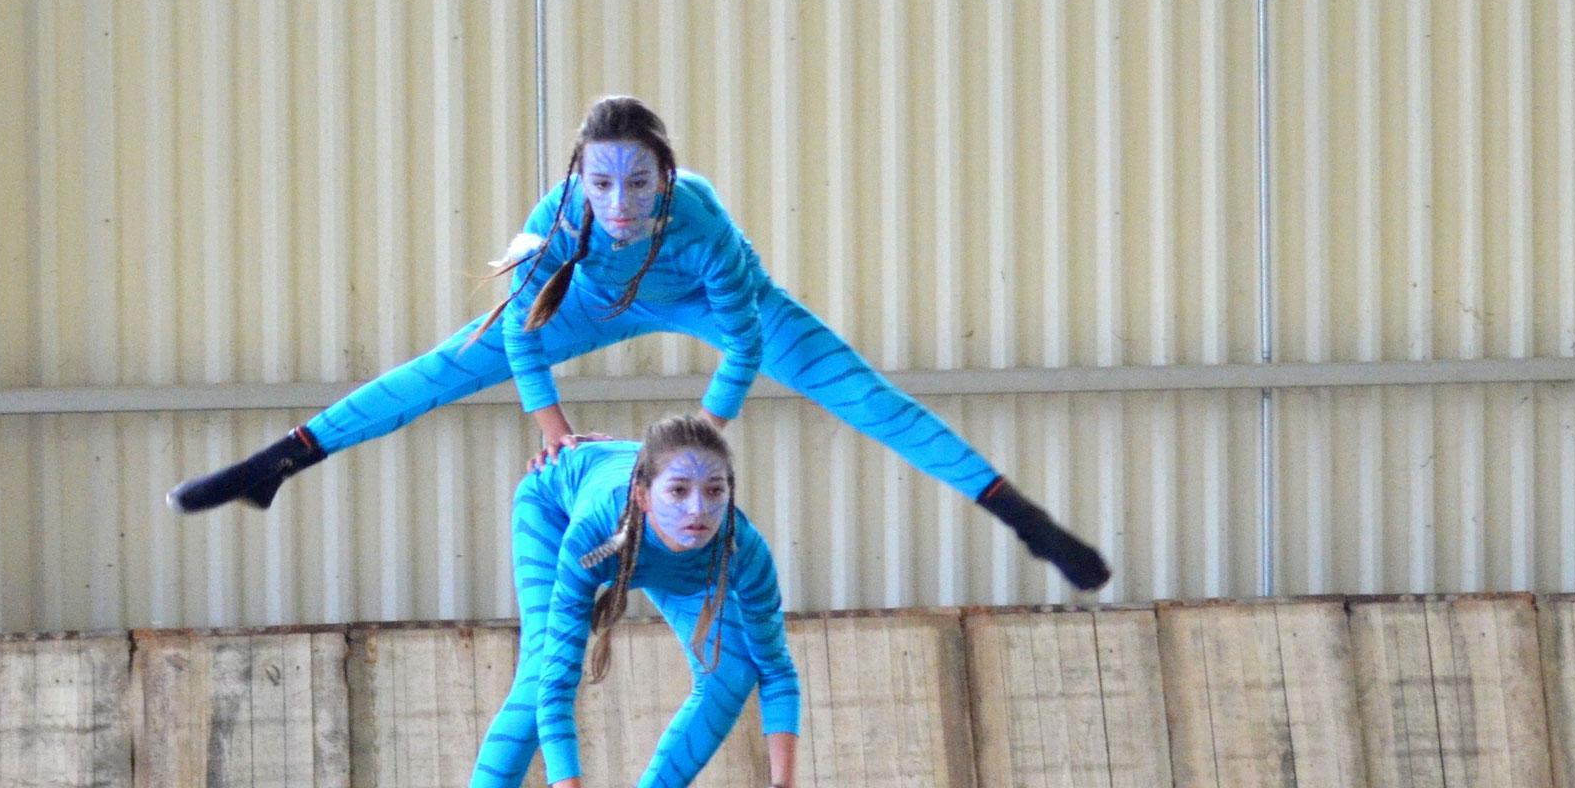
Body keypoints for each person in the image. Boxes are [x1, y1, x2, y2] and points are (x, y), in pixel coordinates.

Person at [170, 96, 1108, 593]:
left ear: (665, 179)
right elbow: (526, 331)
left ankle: (1026, 519)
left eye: (638, 185)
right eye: (603, 183)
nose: (619, 204)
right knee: (443, 369)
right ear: (581, 176)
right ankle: (276, 463)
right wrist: (550, 422)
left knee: (863, 393)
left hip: (700, 300)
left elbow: (743, 340)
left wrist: (703, 427)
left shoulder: (705, 228)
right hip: (587, 301)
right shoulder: (560, 218)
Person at [412, 413, 796, 788]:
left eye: (715, 492)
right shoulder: (596, 532)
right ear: (643, 493)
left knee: (732, 673)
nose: (698, 510)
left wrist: (783, 785)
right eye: (680, 491)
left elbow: (777, 669)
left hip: (670, 559)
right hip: (576, 524)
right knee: (539, 674)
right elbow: (557, 690)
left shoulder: (741, 546)